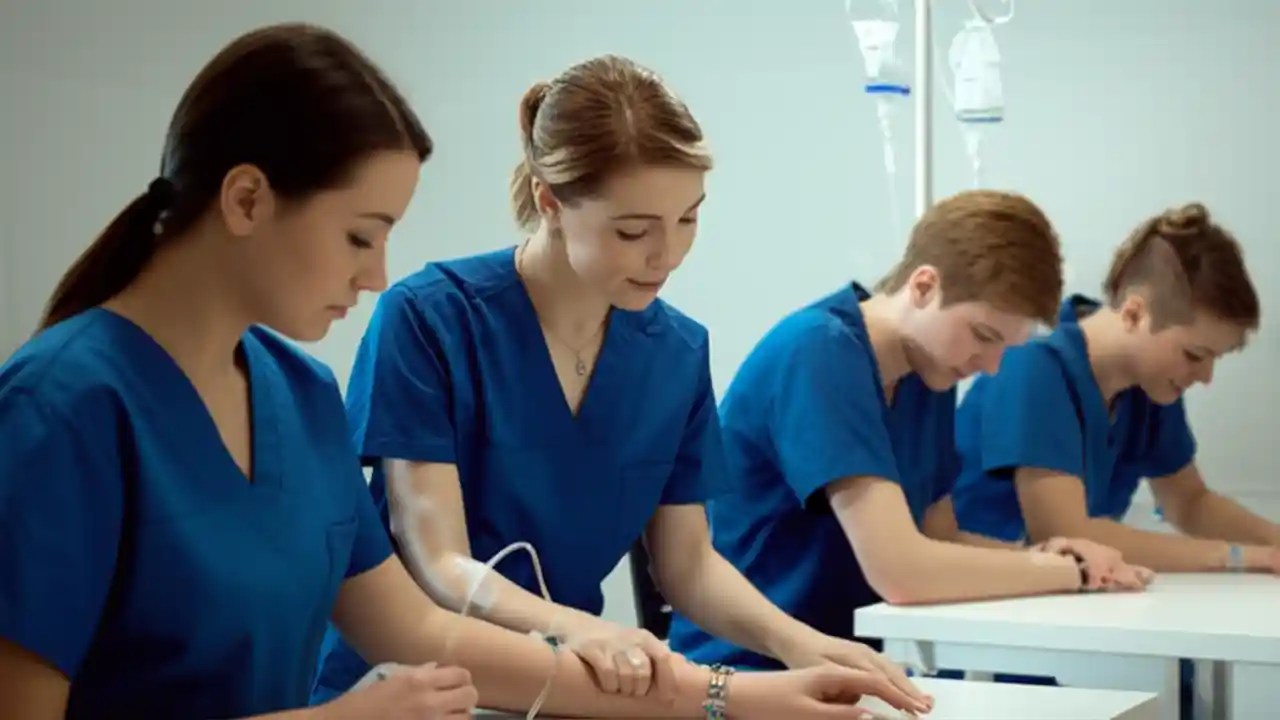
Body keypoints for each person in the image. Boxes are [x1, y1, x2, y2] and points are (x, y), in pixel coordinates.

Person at [0, 23, 929, 720]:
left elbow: (421, 635)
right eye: (362, 236)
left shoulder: (297, 394)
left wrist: (743, 692)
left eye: (688, 220)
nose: (376, 275)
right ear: (246, 198)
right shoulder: (65, 410)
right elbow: (431, 593)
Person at [311, 53, 931, 717]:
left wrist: (800, 642)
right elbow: (438, 564)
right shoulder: (432, 317)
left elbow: (687, 566)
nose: (666, 256)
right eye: (633, 231)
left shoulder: (676, 351)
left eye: (688, 219)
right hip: (413, 690)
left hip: (578, 691)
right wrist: (578, 626)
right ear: (550, 200)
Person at [666, 190, 1153, 671]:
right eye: (984, 336)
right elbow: (900, 572)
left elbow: (937, 537)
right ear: (923, 286)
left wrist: (1049, 553)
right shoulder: (820, 352)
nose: (991, 365)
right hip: (748, 673)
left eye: (1006, 346)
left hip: (854, 670)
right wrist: (1067, 572)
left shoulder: (927, 374)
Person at [951, 202, 1280, 572]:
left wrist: (1275, 541)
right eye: (1194, 355)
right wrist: (1241, 557)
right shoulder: (1034, 364)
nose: (1205, 377)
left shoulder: (1152, 385)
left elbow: (1188, 501)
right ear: (1134, 314)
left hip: (1060, 596)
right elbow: (1066, 534)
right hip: (975, 602)